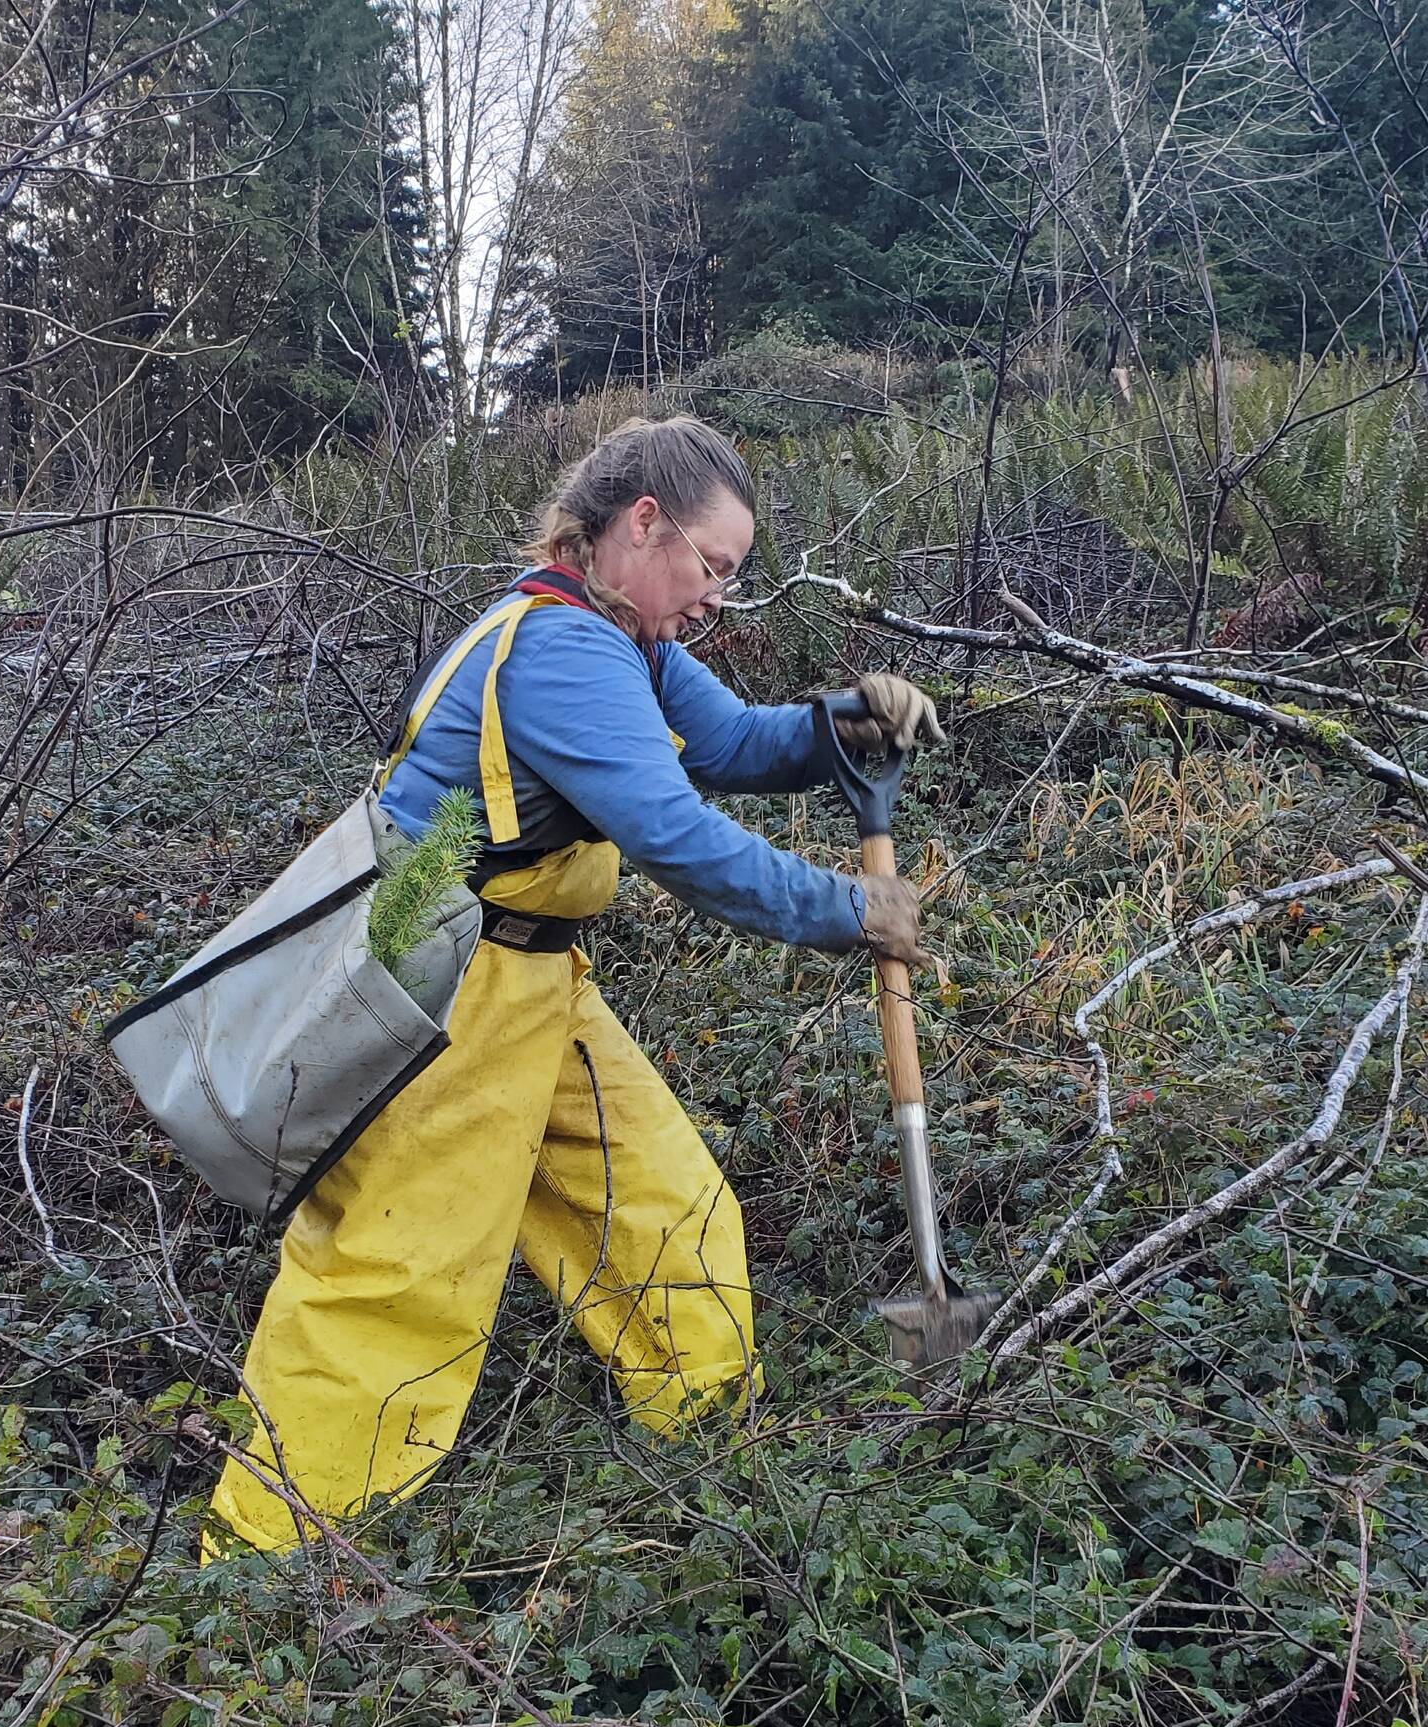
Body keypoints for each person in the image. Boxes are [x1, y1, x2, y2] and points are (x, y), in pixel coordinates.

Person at [206, 415, 941, 1551]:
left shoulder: (620, 637)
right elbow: (674, 834)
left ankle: (702, 1452)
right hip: (443, 992)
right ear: (640, 524)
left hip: (537, 986)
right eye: (711, 568)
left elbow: (734, 744)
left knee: (669, 1211)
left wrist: (843, 721)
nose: (714, 600)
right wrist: (846, 908)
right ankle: (269, 1565)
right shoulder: (559, 652)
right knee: (397, 1281)